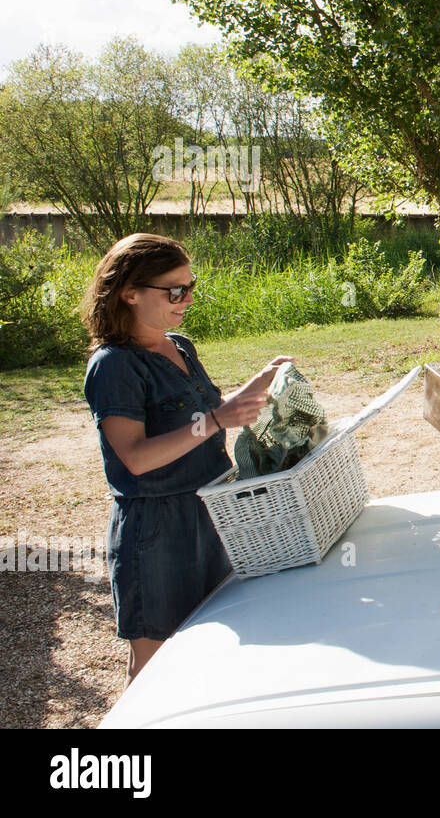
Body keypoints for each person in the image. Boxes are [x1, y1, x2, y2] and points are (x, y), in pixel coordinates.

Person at [81, 233, 292, 683]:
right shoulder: (114, 365)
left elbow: (202, 416)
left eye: (191, 286)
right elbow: (135, 458)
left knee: (215, 648)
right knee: (154, 667)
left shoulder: (180, 343)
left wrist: (255, 385)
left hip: (211, 512)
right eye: (175, 291)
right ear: (130, 292)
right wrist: (218, 418)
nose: (188, 299)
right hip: (156, 530)